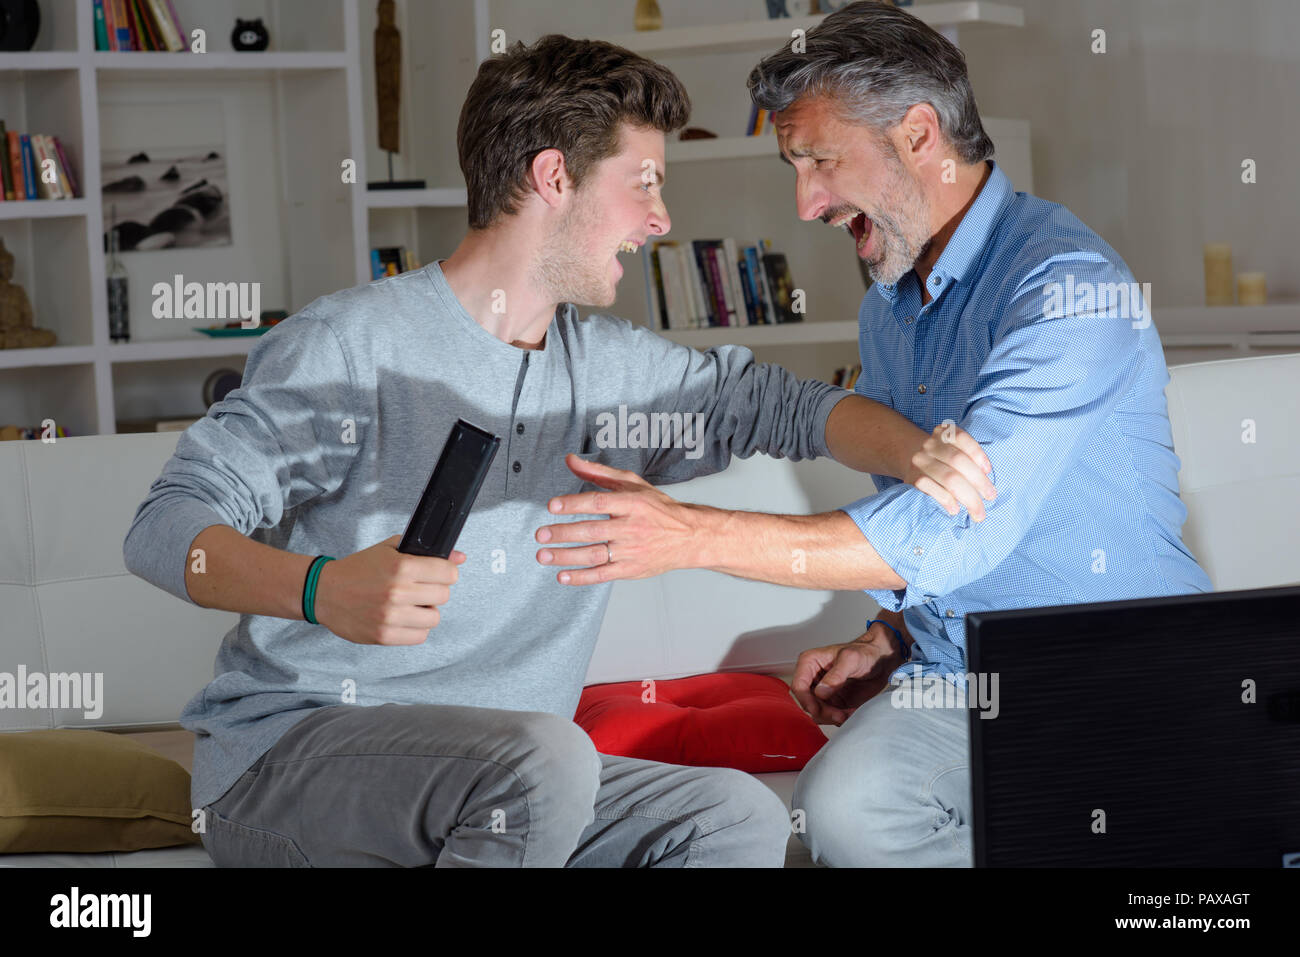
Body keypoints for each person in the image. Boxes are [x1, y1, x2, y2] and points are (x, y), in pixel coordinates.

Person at [123, 32, 989, 868]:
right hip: (292, 760)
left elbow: (788, 405)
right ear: (553, 177)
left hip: (504, 779)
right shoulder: (351, 346)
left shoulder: (610, 370)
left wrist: (924, 455)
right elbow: (164, 528)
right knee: (545, 758)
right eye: (644, 184)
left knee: (731, 817)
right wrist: (319, 589)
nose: (660, 219)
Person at [534, 3, 1213, 867]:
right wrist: (888, 637)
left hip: (1120, 680)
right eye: (794, 166)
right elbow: (918, 523)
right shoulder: (888, 306)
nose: (806, 202)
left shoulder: (1069, 290)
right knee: (844, 810)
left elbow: (949, 528)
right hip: (958, 682)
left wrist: (686, 533)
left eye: (819, 160)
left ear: (919, 133)